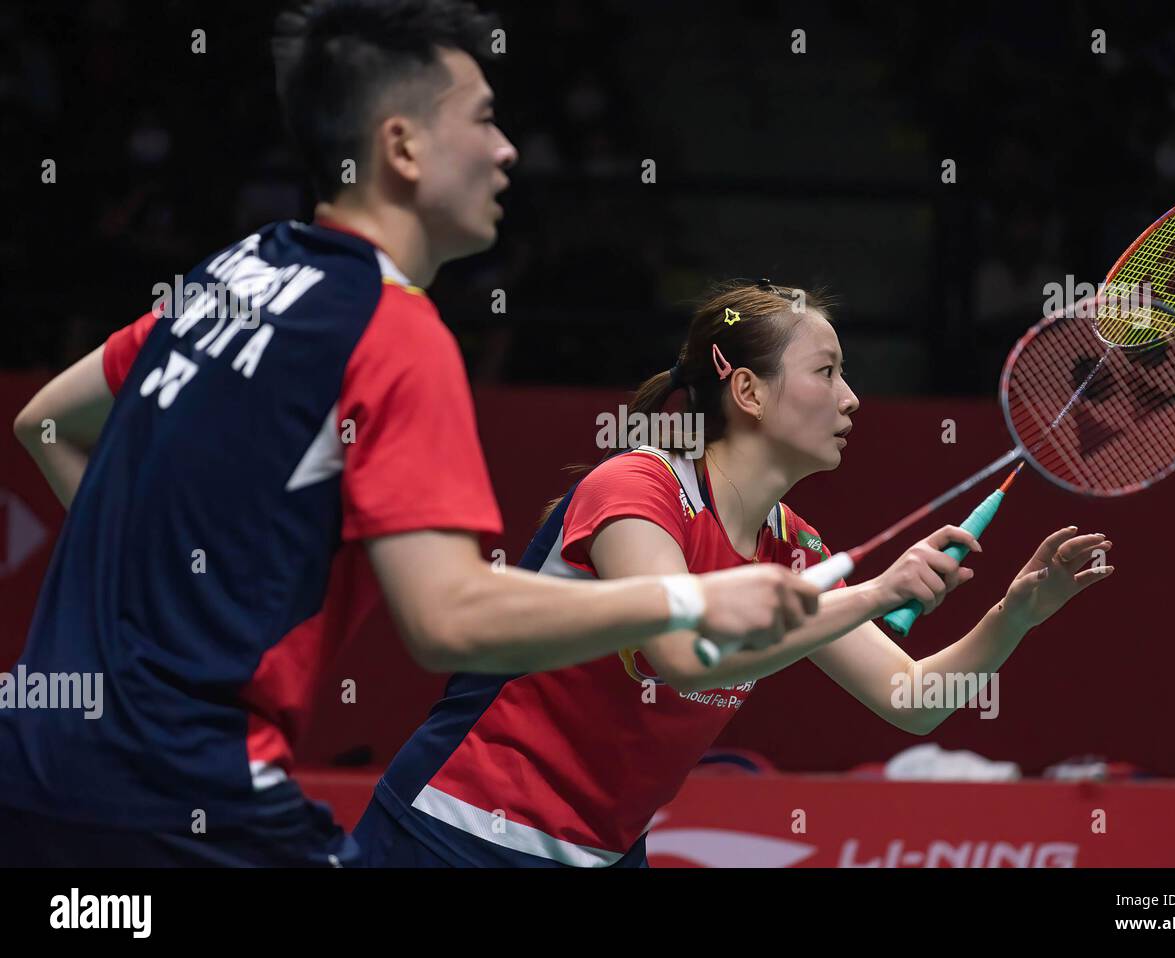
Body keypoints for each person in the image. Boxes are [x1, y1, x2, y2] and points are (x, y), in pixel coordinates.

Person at [0, 1, 817, 867]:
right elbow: (447, 616)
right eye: (483, 117)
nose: (507, 150)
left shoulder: (235, 272)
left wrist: (159, 572)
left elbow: (44, 421)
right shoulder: (393, 330)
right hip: (191, 795)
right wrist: (686, 597)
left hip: (36, 772)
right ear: (401, 146)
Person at [355, 280, 1116, 867]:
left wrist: (1012, 616)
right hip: (457, 829)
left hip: (600, 853)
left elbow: (913, 700)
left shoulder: (795, 547)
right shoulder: (639, 488)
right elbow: (679, 657)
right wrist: (876, 593)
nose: (852, 397)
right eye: (827, 371)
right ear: (747, 390)